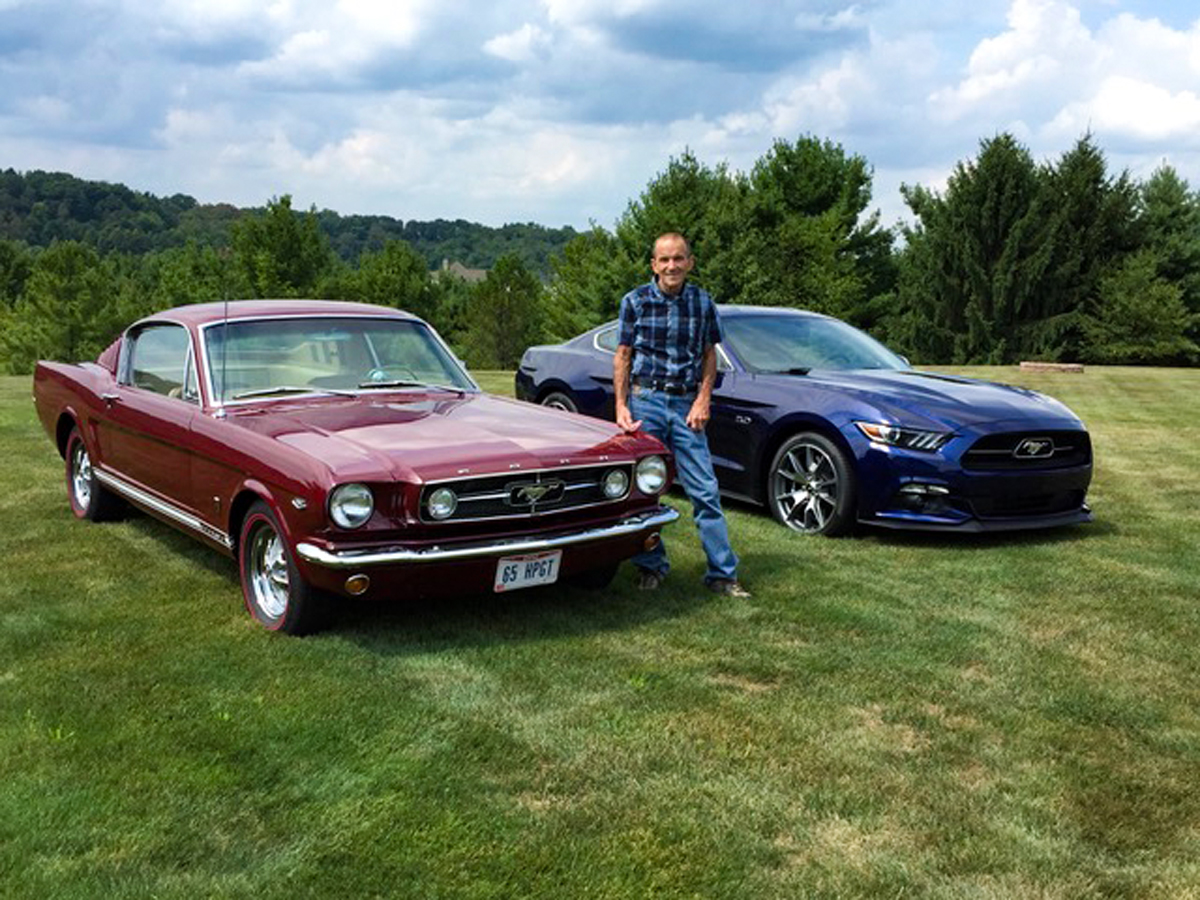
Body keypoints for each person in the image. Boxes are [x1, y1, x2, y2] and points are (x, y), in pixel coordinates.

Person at [613, 233, 750, 598]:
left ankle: (722, 574)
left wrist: (703, 400)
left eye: (678, 258)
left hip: (687, 404)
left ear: (690, 262)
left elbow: (709, 356)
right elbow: (623, 356)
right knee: (645, 491)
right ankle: (650, 566)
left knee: (705, 490)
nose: (671, 266)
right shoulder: (635, 301)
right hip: (646, 401)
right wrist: (621, 406)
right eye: (664, 259)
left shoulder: (703, 302)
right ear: (654, 265)